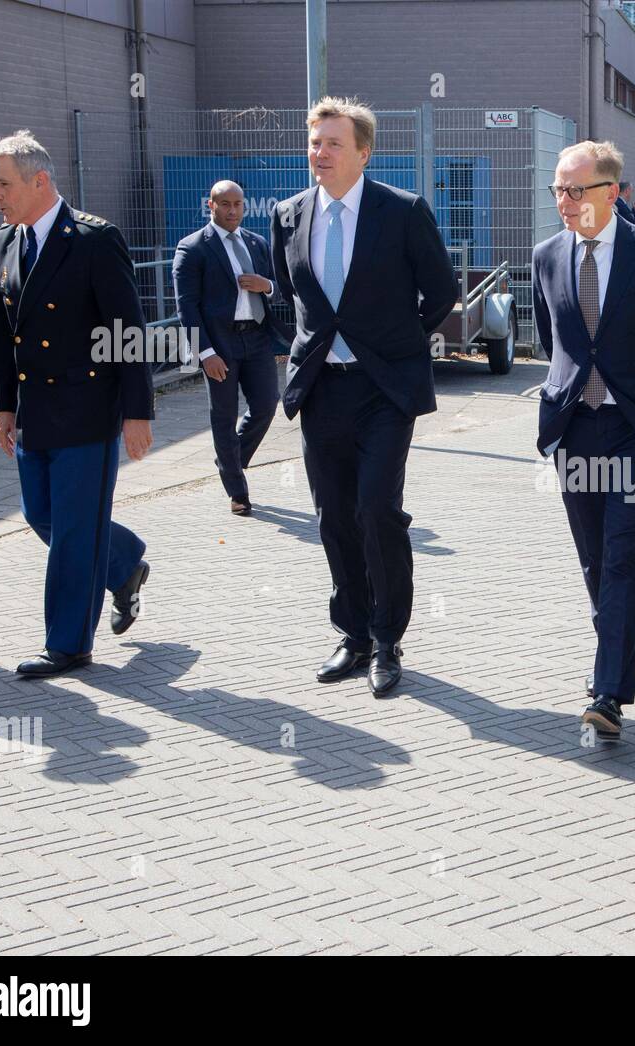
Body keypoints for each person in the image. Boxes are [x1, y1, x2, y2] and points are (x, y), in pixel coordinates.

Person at [270, 97, 458, 693]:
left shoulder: (401, 212)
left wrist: (393, 344)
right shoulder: (289, 214)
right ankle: (351, 634)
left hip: (384, 391)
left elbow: (441, 291)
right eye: (315, 142)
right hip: (322, 389)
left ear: (363, 152)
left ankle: (387, 638)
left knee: (375, 510)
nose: (319, 153)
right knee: (332, 517)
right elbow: (287, 296)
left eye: (332, 144)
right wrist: (305, 348)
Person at [532, 141, 635, 741]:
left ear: (611, 192)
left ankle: (608, 692)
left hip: (633, 430)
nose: (565, 203)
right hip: (574, 428)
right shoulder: (547, 255)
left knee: (622, 554)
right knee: (596, 558)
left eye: (576, 190)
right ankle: (619, 648)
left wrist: (633, 391)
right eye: (558, 190)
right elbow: (555, 342)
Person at [0, 130, 155, 678]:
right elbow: (0, 332)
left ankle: (67, 644)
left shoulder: (93, 239)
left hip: (86, 411)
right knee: (43, 516)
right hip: (34, 411)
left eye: (3, 184)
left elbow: (129, 329)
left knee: (76, 530)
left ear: (40, 181)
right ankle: (124, 561)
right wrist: (3, 404)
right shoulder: (7, 242)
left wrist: (137, 412)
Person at [172, 180, 284, 517]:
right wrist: (205, 353)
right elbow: (185, 307)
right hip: (219, 344)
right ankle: (237, 490)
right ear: (211, 205)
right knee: (223, 416)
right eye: (225, 204)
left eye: (237, 204)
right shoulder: (193, 248)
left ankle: (230, 460)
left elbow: (278, 286)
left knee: (266, 405)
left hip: (257, 338)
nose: (232, 210)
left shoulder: (257, 242)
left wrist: (266, 286)